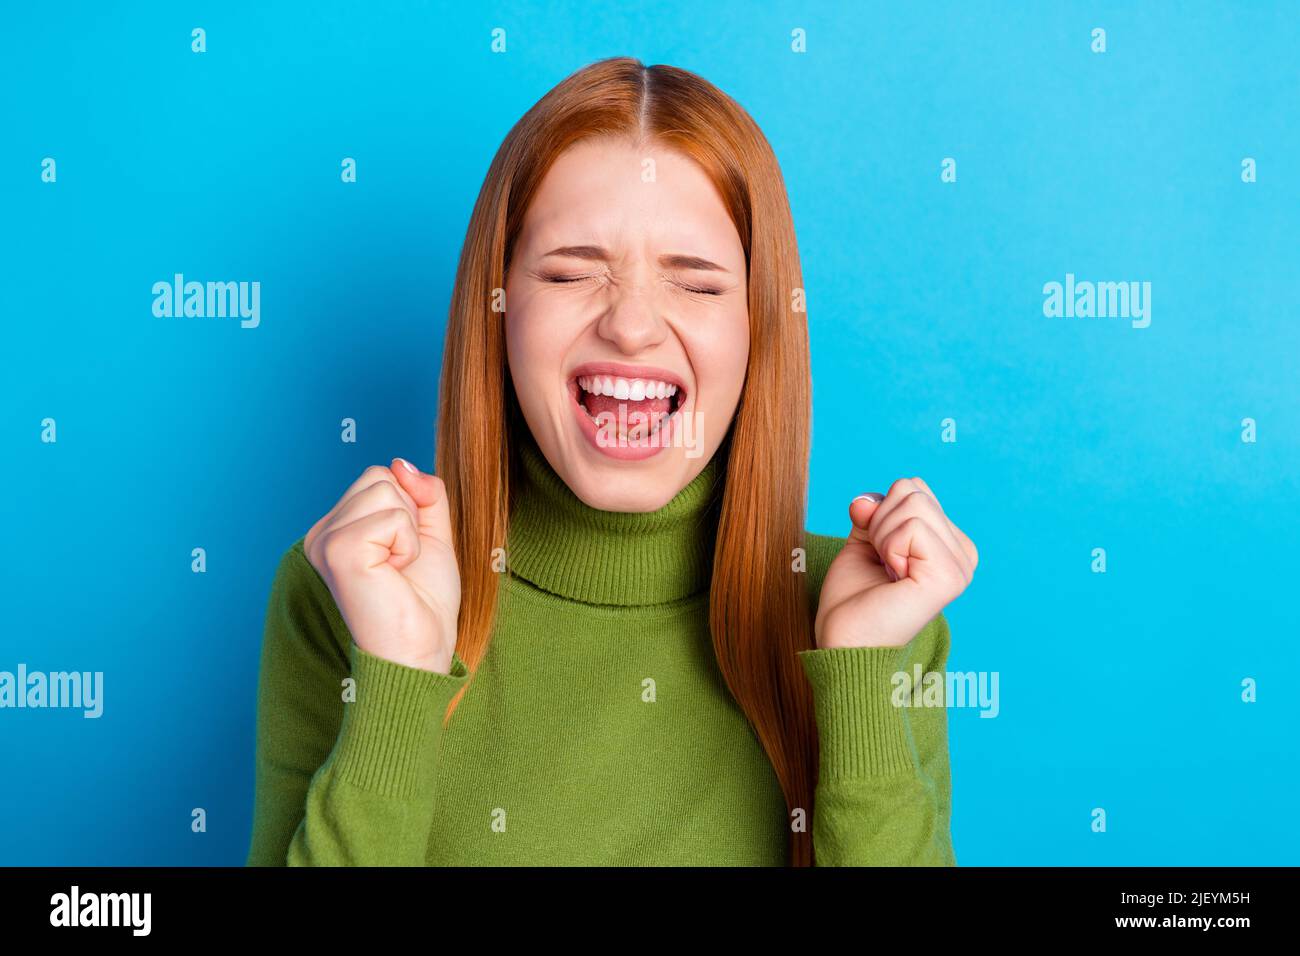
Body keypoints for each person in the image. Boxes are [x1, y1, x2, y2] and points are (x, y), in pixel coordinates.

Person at [245, 56, 978, 867]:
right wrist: (395, 681)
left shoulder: (880, 622)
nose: (631, 326)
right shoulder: (347, 592)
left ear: (759, 328)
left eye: (697, 284)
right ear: (497, 309)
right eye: (571, 272)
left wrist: (861, 676)